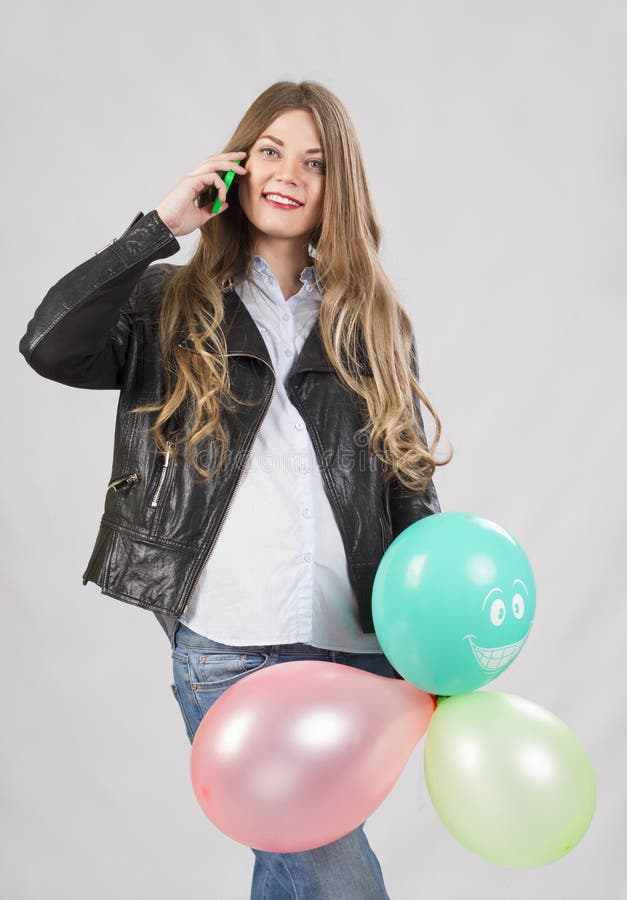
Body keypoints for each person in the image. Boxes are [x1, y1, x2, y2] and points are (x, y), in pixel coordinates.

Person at [19, 79, 452, 899]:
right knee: (328, 869)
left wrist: (432, 629)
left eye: (315, 163)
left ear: (338, 189)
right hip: (227, 644)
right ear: (237, 165)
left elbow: (407, 481)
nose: (287, 174)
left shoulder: (371, 321)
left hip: (354, 649)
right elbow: (48, 345)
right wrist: (158, 228)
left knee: (287, 860)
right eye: (270, 152)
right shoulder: (166, 303)